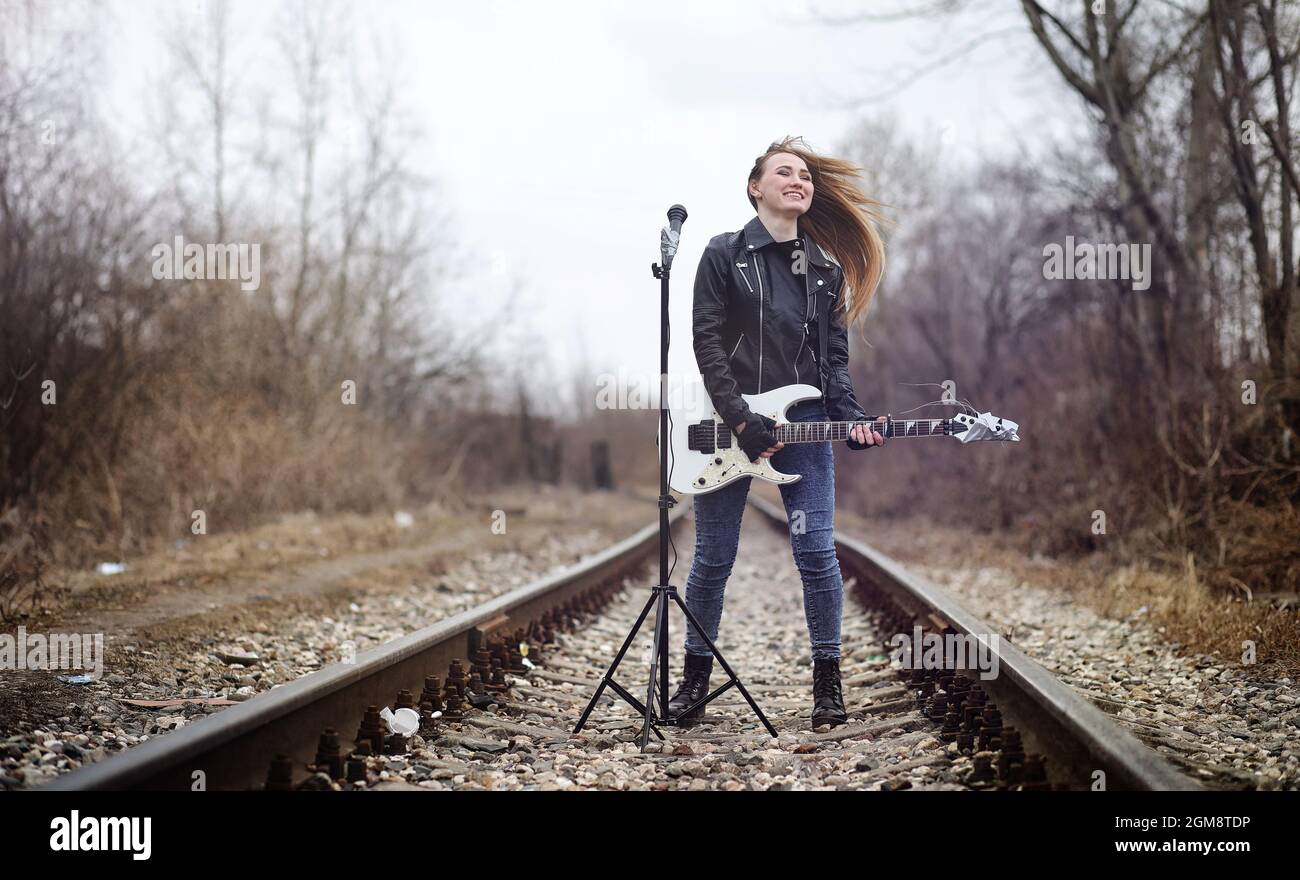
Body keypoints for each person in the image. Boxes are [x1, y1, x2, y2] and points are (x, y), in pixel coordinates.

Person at [670, 136, 888, 729]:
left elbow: (833, 366)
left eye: (806, 177)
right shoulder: (723, 255)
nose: (799, 181)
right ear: (755, 188)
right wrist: (742, 419)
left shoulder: (824, 270)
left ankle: (828, 687)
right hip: (727, 424)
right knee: (713, 556)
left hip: (808, 428)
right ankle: (693, 682)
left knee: (816, 552)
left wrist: (853, 419)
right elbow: (707, 345)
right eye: (784, 172)